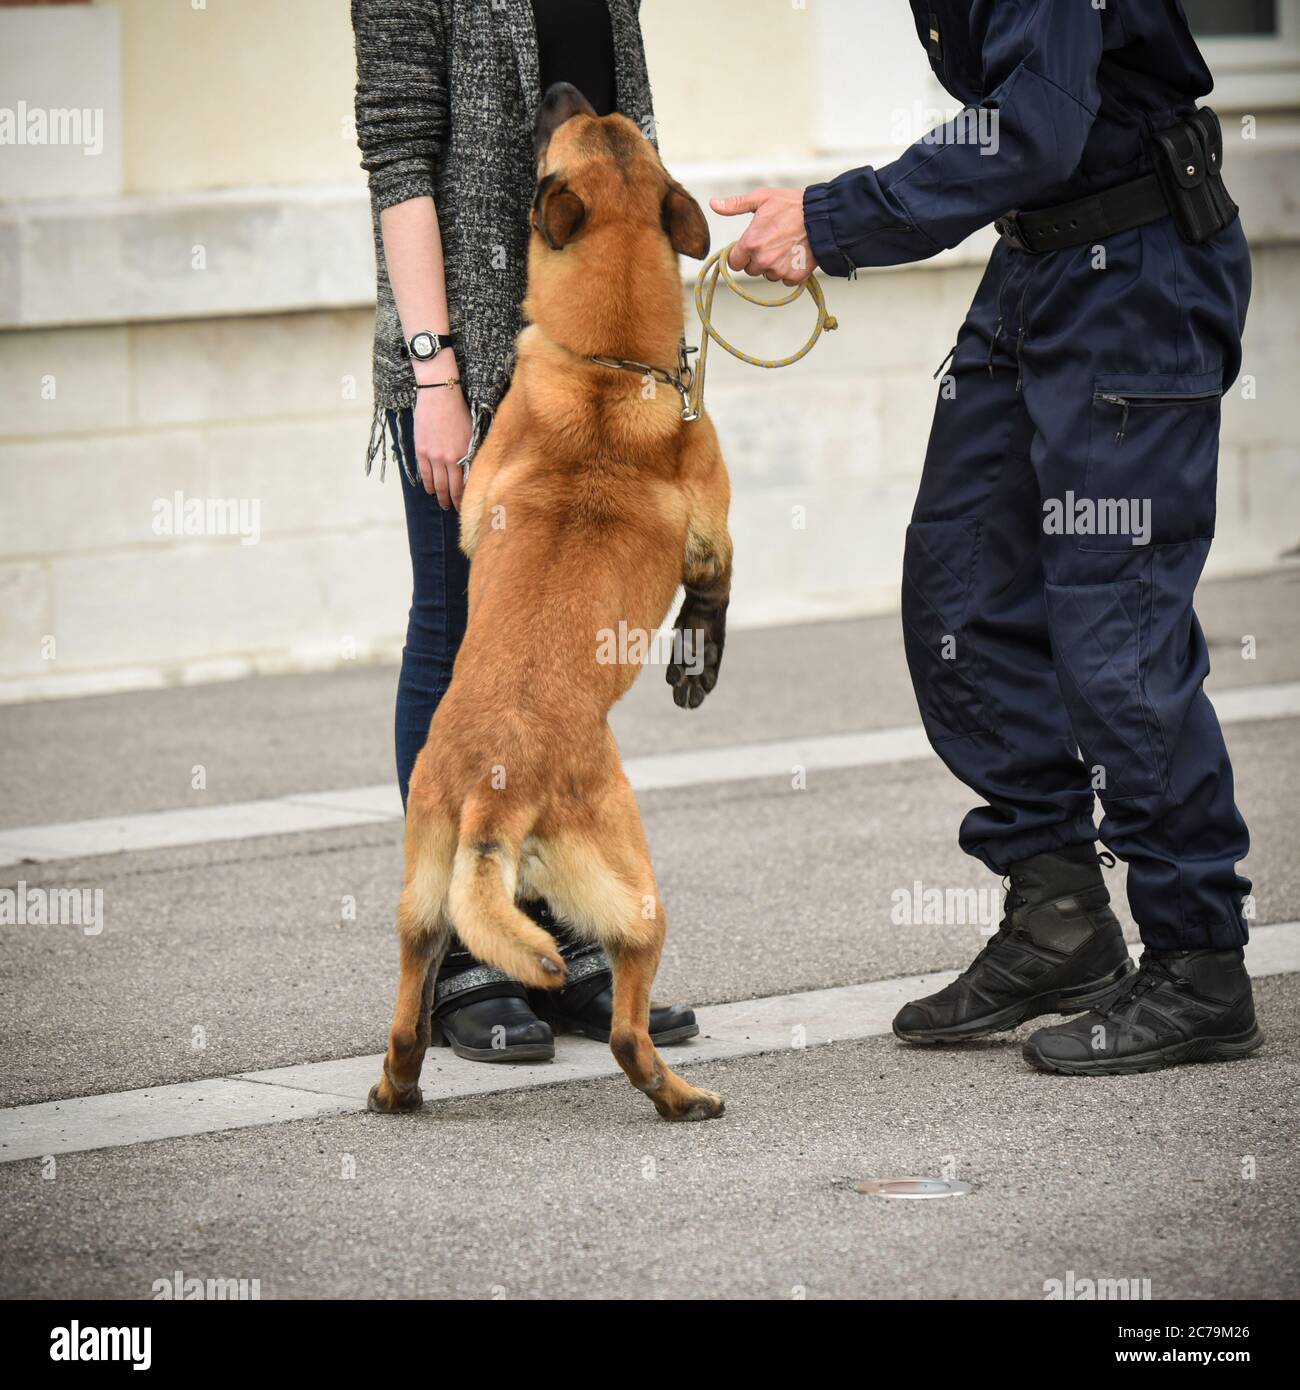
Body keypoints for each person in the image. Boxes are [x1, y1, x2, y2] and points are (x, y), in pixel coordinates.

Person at [714, 1, 1262, 1075]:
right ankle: (1058, 919)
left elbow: (1030, 121)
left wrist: (836, 217)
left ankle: (1199, 963)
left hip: (1138, 271)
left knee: (1116, 632)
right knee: (961, 594)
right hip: (1040, 266)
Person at [351, 0, 697, 1062]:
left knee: (563, 649)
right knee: (461, 635)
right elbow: (399, 155)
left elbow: (627, 128)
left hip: (594, 352)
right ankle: (461, 952)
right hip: (471, 352)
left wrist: (656, 351)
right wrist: (435, 371)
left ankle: (556, 924)